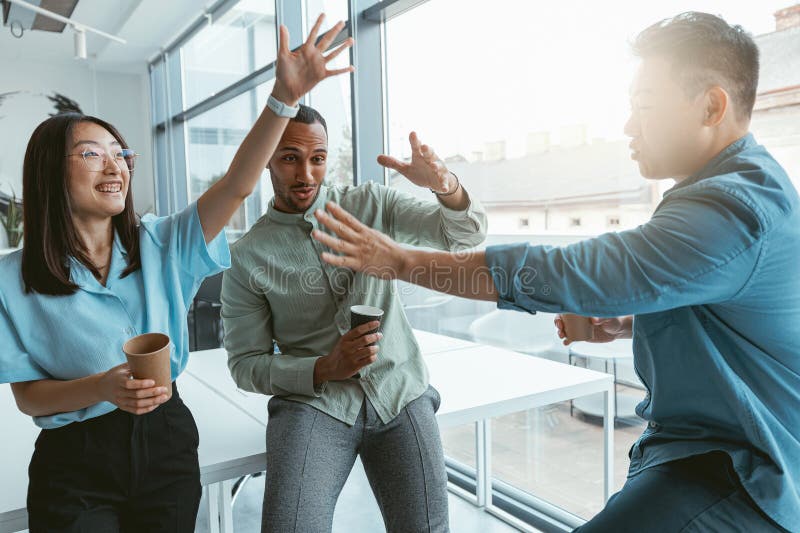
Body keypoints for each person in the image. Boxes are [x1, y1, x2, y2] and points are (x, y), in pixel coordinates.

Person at [310, 12, 798, 533]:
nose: (629, 126)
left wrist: (399, 261)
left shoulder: (733, 209)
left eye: (645, 106)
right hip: (702, 455)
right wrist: (628, 322)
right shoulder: (735, 189)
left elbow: (572, 271)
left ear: (711, 106)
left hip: (742, 473)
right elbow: (724, 309)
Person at [0, 14, 353, 532]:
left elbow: (236, 185)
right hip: (74, 461)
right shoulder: (11, 280)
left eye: (121, 154)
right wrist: (102, 387)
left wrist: (284, 98)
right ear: (49, 169)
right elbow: (28, 396)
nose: (115, 166)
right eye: (92, 154)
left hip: (165, 443)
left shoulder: (163, 243)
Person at [220, 102, 487, 532]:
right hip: (314, 403)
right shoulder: (247, 257)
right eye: (290, 158)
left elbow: (465, 234)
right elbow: (245, 365)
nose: (306, 174)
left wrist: (445, 186)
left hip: (398, 390)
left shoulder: (370, 204)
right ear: (267, 157)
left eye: (317, 158)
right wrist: (324, 368)